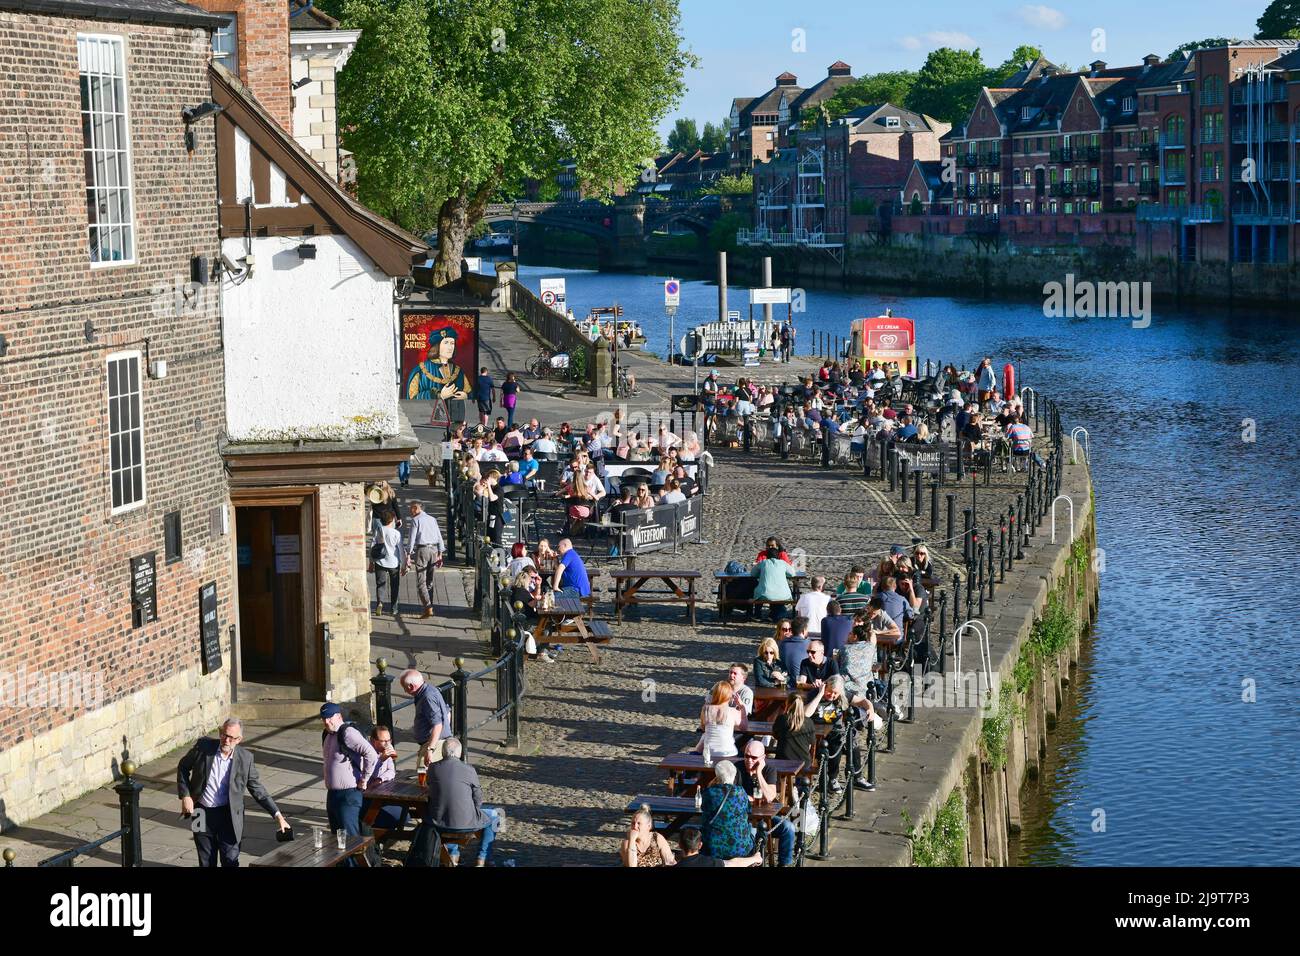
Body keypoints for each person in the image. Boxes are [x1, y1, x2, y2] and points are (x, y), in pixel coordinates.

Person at [177, 717, 288, 867]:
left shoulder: (245, 759)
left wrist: (278, 815)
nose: (226, 740)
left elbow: (258, 790)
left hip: (229, 815)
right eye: (223, 734)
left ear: (239, 739)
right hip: (200, 812)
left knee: (230, 860)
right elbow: (183, 767)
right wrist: (186, 795)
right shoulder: (203, 747)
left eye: (231, 737)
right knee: (205, 860)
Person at [426, 738, 504, 867]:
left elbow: (430, 789)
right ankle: (483, 857)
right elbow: (478, 798)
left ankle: (453, 854)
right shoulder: (469, 769)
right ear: (460, 753)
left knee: (449, 811)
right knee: (498, 814)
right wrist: (474, 811)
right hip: (465, 821)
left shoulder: (433, 768)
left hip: (438, 821)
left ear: (443, 752)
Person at [319, 703, 378, 860]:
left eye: (329, 718)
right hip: (332, 794)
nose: (326, 722)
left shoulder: (348, 733)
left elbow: (371, 754)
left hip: (348, 795)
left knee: (350, 840)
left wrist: (364, 779)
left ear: (338, 716)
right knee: (336, 839)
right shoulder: (326, 734)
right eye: (323, 719)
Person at [737, 739, 796, 866]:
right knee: (752, 833)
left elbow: (769, 796)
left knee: (789, 828)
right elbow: (732, 794)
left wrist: (758, 773)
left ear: (763, 758)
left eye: (754, 757)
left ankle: (783, 864)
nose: (749, 760)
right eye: (746, 756)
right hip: (743, 819)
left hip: (765, 819)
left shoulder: (769, 770)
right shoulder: (737, 768)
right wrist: (752, 798)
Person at [699, 760, 754, 861]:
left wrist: (711, 784)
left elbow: (703, 809)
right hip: (741, 846)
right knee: (752, 829)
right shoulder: (741, 792)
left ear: (716, 775)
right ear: (734, 774)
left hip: (713, 847)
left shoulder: (710, 793)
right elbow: (749, 810)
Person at [401, 669, 452, 767]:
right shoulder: (430, 689)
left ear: (411, 686)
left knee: (422, 773)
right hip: (437, 742)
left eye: (404, 687)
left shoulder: (427, 697)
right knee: (430, 775)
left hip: (434, 745)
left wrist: (430, 749)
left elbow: (437, 725)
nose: (404, 691)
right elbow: (447, 712)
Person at [404, 502, 445, 619]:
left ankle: (428, 607)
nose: (410, 512)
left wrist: (408, 555)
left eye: (410, 509)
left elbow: (411, 539)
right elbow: (439, 536)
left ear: (416, 508)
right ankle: (429, 606)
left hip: (422, 550)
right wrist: (440, 553)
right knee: (430, 580)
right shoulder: (432, 519)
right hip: (434, 550)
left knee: (421, 581)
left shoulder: (416, 520)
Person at [366, 725, 410, 834]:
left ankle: (386, 834)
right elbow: (369, 775)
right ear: (373, 741)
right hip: (368, 799)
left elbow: (391, 771)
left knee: (405, 814)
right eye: (383, 741)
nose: (387, 744)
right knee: (401, 816)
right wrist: (381, 760)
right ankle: (381, 835)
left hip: (383, 794)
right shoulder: (367, 753)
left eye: (389, 740)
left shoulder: (385, 750)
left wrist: (380, 779)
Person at [406, 326, 469, 401]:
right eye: (446, 343)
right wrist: (439, 395)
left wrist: (466, 396)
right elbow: (412, 400)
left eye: (452, 343)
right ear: (437, 346)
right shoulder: (419, 371)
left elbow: (470, 392)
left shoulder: (458, 371)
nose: (450, 347)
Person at [773, 685, 823, 771]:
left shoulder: (781, 719)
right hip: (804, 763)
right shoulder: (809, 722)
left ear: (787, 703)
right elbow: (812, 743)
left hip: (783, 760)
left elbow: (776, 735)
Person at [675, 826, 760, 867]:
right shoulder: (710, 862)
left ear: (680, 844)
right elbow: (734, 863)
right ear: (700, 845)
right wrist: (755, 858)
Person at [370, 508, 402, 616]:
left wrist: (371, 562)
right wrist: (404, 563)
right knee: (394, 585)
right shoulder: (396, 533)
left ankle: (380, 603)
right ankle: (394, 608)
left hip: (380, 561)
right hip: (394, 562)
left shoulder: (378, 531)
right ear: (391, 520)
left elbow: (372, 546)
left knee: (380, 584)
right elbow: (401, 549)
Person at [697, 681, 741, 758]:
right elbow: (743, 727)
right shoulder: (733, 711)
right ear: (729, 695)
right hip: (729, 753)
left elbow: (703, 727)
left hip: (709, 753)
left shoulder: (706, 709)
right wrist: (741, 707)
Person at [751, 545, 796, 619]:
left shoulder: (763, 562)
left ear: (767, 556)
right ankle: (775, 613)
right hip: (784, 595)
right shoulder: (782, 563)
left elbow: (753, 574)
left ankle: (757, 613)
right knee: (777, 592)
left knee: (758, 590)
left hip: (765, 595)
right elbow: (792, 574)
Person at [552, 538, 592, 614]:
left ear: (565, 545)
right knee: (550, 596)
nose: (558, 549)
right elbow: (559, 569)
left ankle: (569, 617)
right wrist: (555, 559)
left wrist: (555, 586)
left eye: (559, 546)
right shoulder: (571, 554)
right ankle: (561, 617)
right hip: (575, 588)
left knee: (552, 598)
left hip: (576, 590)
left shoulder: (570, 554)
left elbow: (560, 569)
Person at [777, 616, 811, 681]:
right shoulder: (808, 643)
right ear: (804, 631)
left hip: (787, 680)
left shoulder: (783, 644)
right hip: (804, 682)